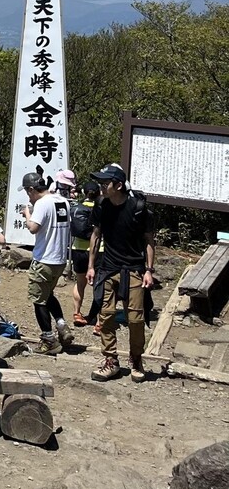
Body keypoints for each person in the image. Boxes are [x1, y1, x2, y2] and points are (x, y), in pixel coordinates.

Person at [87, 164, 156, 383]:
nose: (102, 187)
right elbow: (96, 235)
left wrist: (149, 270)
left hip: (134, 269)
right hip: (108, 268)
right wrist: (91, 266)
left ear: (118, 185)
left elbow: (149, 241)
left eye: (105, 184)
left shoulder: (138, 207)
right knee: (105, 316)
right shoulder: (101, 206)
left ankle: (136, 359)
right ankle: (111, 360)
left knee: (135, 318)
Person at [20, 171, 73, 356]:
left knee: (39, 300)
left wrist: (27, 214)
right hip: (60, 259)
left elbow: (34, 228)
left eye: (28, 191)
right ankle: (61, 325)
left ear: (33, 189)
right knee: (48, 294)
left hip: (44, 259)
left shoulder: (42, 203)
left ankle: (49, 340)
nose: (28, 195)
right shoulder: (62, 201)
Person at [71, 181, 99, 327]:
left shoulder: (77, 208)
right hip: (99, 250)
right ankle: (99, 322)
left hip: (78, 249)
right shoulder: (102, 208)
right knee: (99, 286)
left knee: (80, 283)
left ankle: (77, 313)